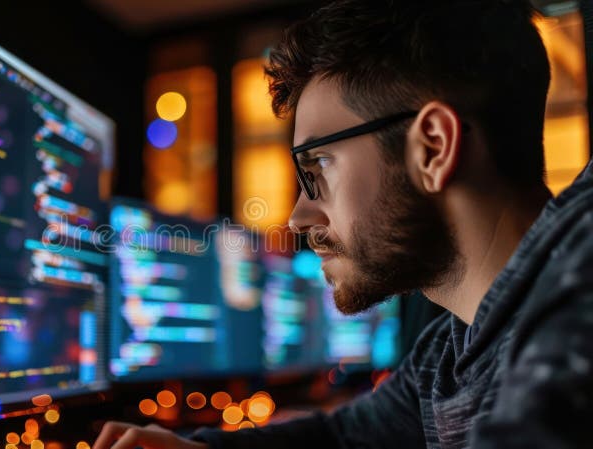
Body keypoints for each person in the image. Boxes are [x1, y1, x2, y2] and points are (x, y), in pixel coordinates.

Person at [93, 0, 593, 447]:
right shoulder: (452, 350)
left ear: (434, 147)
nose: (298, 216)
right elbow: (344, 434)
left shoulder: (577, 290)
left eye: (318, 168)